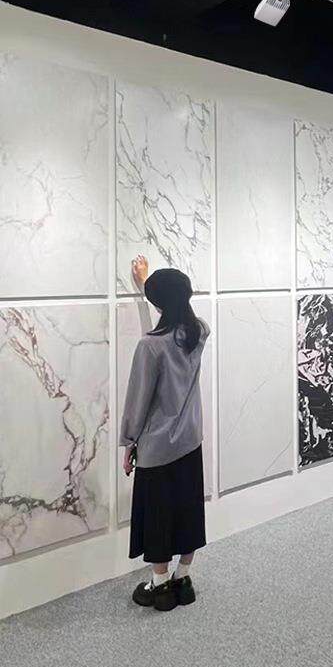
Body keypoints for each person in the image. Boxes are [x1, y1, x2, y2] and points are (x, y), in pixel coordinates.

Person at [119, 255, 210, 611]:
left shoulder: (150, 346)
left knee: (158, 515)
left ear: (158, 303)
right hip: (190, 441)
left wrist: (129, 442)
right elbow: (176, 308)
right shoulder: (198, 332)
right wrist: (148, 286)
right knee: (188, 511)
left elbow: (138, 399)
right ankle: (182, 579)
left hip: (158, 447)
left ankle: (159, 586)